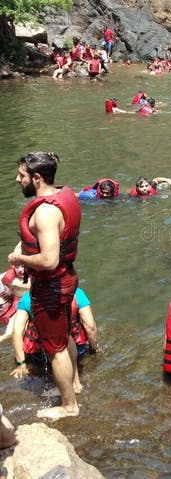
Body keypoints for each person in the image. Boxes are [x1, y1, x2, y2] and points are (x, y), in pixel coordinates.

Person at [8, 151, 81, 420]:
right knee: (64, 334)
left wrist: (19, 258)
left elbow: (49, 260)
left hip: (51, 286)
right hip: (67, 278)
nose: (17, 180)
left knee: (54, 347)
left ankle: (69, 405)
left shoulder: (45, 212)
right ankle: (74, 384)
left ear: (37, 178)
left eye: (21, 176)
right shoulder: (65, 195)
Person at [11, 285, 98, 383]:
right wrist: (93, 349)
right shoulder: (77, 293)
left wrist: (21, 364)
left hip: (40, 355)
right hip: (77, 350)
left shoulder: (27, 299)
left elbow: (17, 332)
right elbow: (90, 327)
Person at [0, 278, 18, 343]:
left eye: (0, 306)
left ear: (9, 302)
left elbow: (8, 334)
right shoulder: (3, 307)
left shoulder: (17, 313)